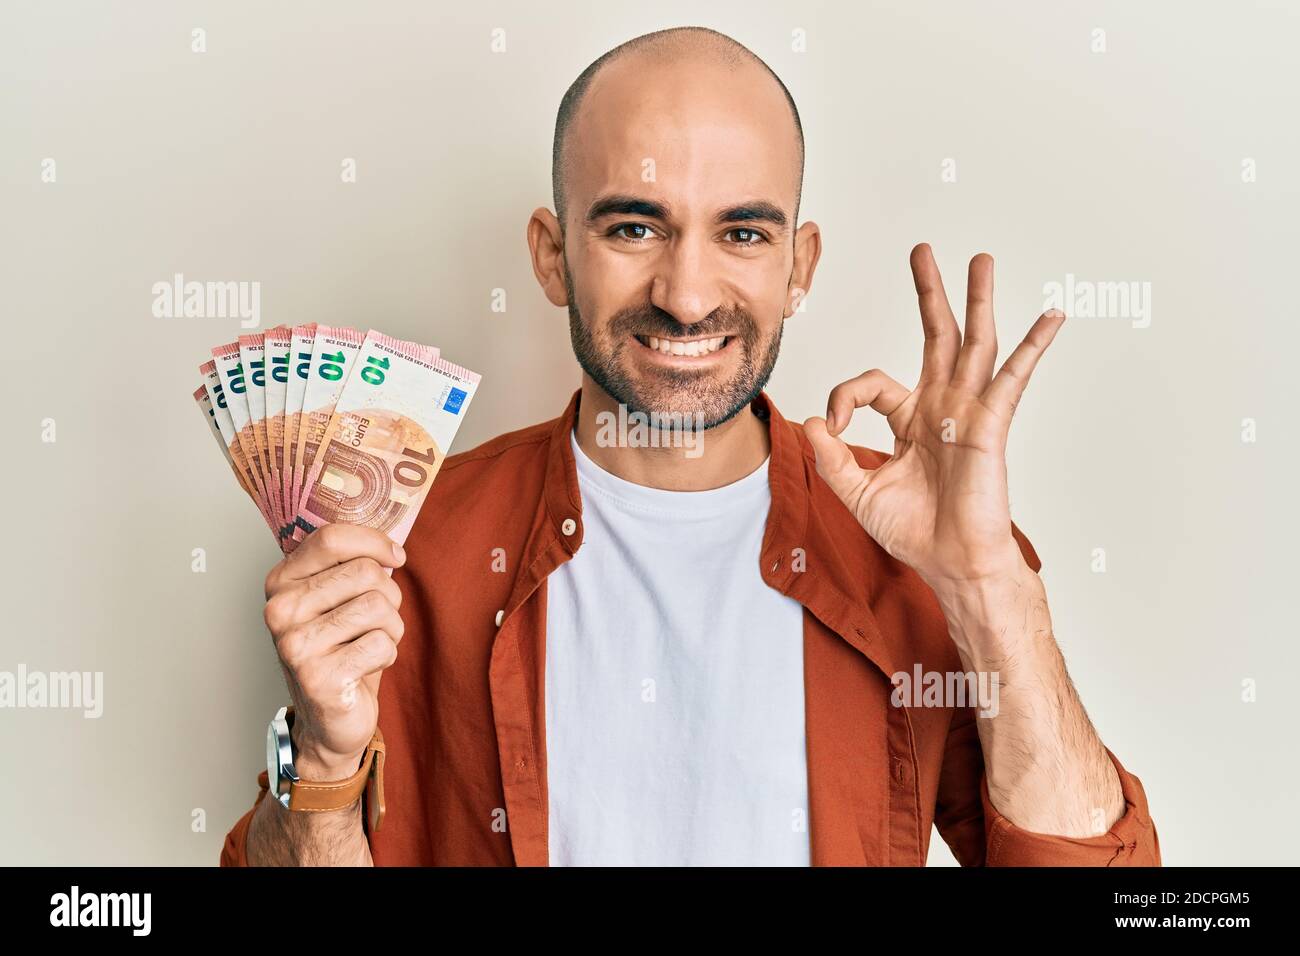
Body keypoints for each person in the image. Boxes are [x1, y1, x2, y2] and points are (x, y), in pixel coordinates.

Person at [221, 26, 1160, 866]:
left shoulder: (916, 551)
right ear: (551, 256)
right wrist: (327, 761)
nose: (687, 293)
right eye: (634, 226)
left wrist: (988, 588)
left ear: (800, 267)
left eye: (742, 232)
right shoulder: (407, 548)